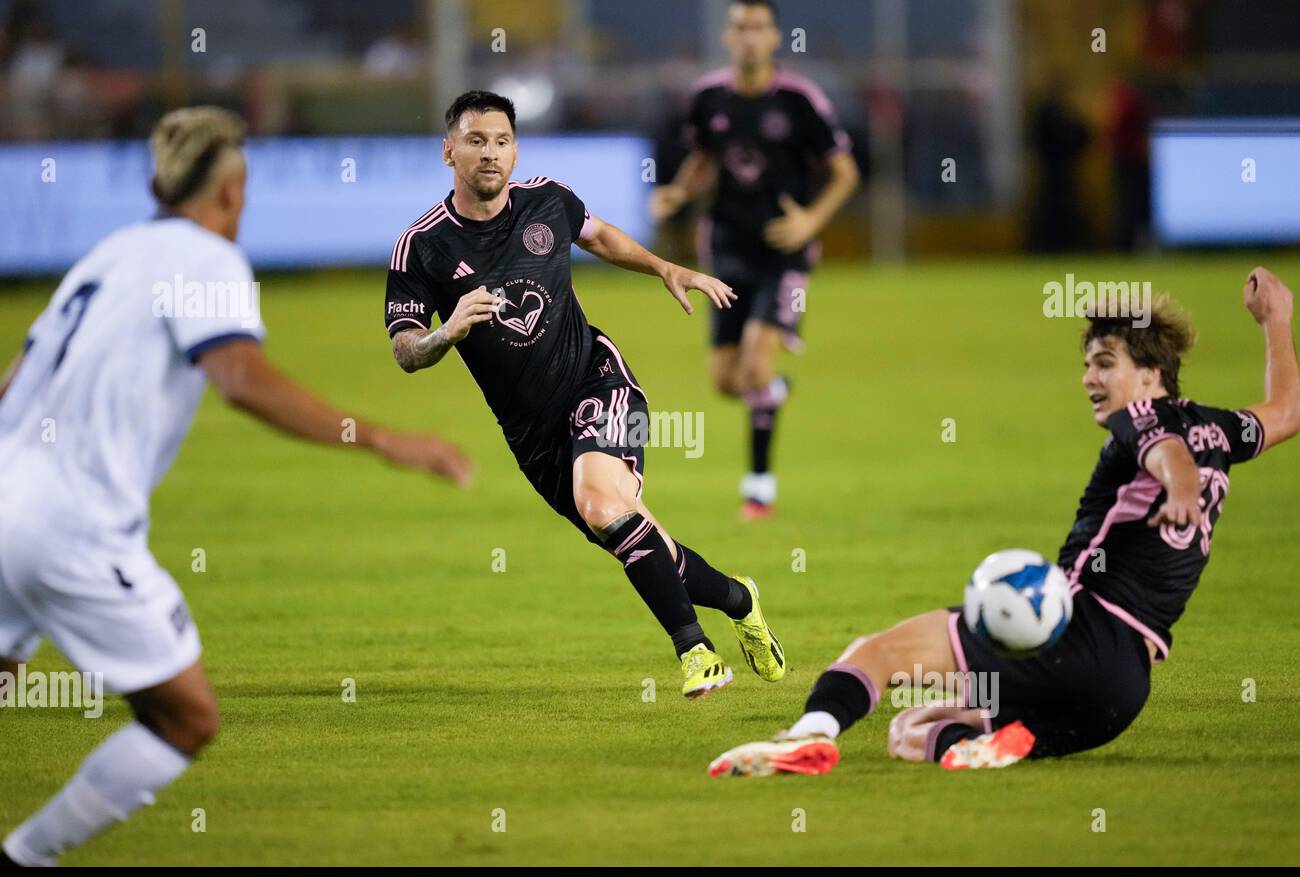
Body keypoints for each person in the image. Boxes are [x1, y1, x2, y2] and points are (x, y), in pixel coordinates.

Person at [0, 106, 471, 866]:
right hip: (69, 522)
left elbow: (13, 381)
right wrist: (384, 438)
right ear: (231, 191)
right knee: (185, 719)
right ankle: (29, 858)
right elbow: (240, 378)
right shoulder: (210, 261)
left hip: (4, 494)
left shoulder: (108, 253)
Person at [709, 269, 1297, 776]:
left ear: (1149, 375)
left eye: (1105, 363)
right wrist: (1278, 319)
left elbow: (1163, 449)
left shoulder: (1143, 419)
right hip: (1120, 692)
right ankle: (997, 742)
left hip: (1073, 632)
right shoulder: (1217, 430)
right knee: (912, 728)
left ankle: (807, 736)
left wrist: (1184, 484)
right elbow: (1287, 412)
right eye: (1087, 364)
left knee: (879, 653)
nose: (1090, 378)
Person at [386, 90, 789, 701]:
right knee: (639, 541)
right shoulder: (423, 246)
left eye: (501, 141)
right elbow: (406, 350)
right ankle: (741, 598)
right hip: (531, 436)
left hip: (598, 379)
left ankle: (696, 651)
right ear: (448, 152)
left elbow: (599, 237)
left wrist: (667, 268)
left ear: (515, 150)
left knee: (604, 506)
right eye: (475, 141)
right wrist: (447, 330)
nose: (490, 154)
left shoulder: (548, 200)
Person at [651, 0, 859, 519]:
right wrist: (678, 194)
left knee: (756, 362)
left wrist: (811, 221)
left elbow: (845, 172)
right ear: (728, 37)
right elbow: (704, 159)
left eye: (758, 27)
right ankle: (774, 392)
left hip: (785, 254)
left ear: (775, 38)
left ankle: (759, 488)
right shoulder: (707, 97)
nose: (749, 36)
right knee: (727, 380)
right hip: (725, 248)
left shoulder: (798, 99)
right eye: (740, 27)